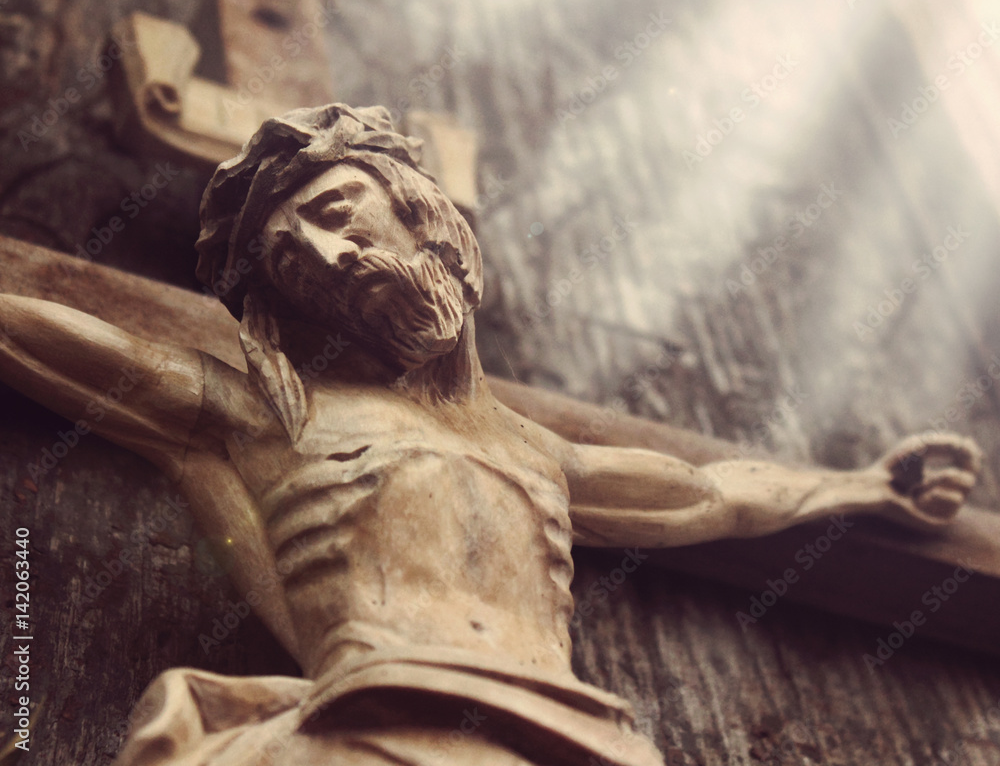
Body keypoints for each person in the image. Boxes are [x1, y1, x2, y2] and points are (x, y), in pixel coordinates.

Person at [0, 104, 980, 766]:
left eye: (340, 213)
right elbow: (67, 344)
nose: (331, 256)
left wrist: (862, 488)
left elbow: (713, 494)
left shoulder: (540, 455)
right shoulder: (256, 414)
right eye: (292, 263)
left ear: (417, 206)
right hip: (377, 722)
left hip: (576, 740)